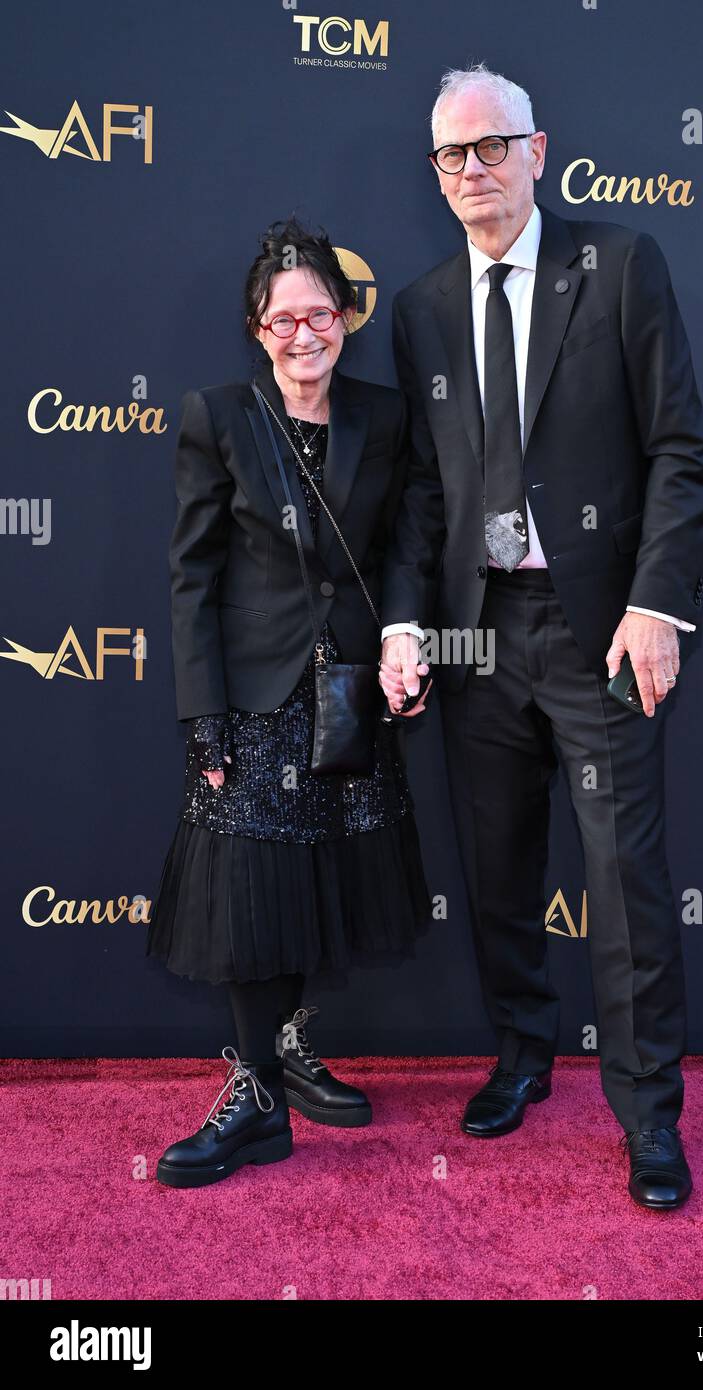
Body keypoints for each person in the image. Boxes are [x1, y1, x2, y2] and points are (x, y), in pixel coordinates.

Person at [379, 65, 703, 1210]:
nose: (471, 170)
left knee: (624, 879)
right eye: (450, 156)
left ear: (538, 150)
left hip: (602, 629)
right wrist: (410, 621)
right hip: (479, 635)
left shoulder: (619, 266)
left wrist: (657, 603)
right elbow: (427, 491)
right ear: (434, 175)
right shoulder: (423, 306)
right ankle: (523, 1056)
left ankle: (648, 1113)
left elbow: (681, 448)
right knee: (497, 871)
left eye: (491, 147)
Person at [146, 215, 432, 1189]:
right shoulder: (216, 416)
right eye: (282, 320)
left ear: (347, 318)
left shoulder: (386, 419)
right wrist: (205, 715)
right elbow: (192, 577)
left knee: (323, 883)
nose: (303, 333)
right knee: (249, 896)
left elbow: (404, 546)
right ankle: (256, 1095)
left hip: (347, 693)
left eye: (320, 314)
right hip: (255, 695)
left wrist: (401, 632)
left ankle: (290, 1045)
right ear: (256, 329)